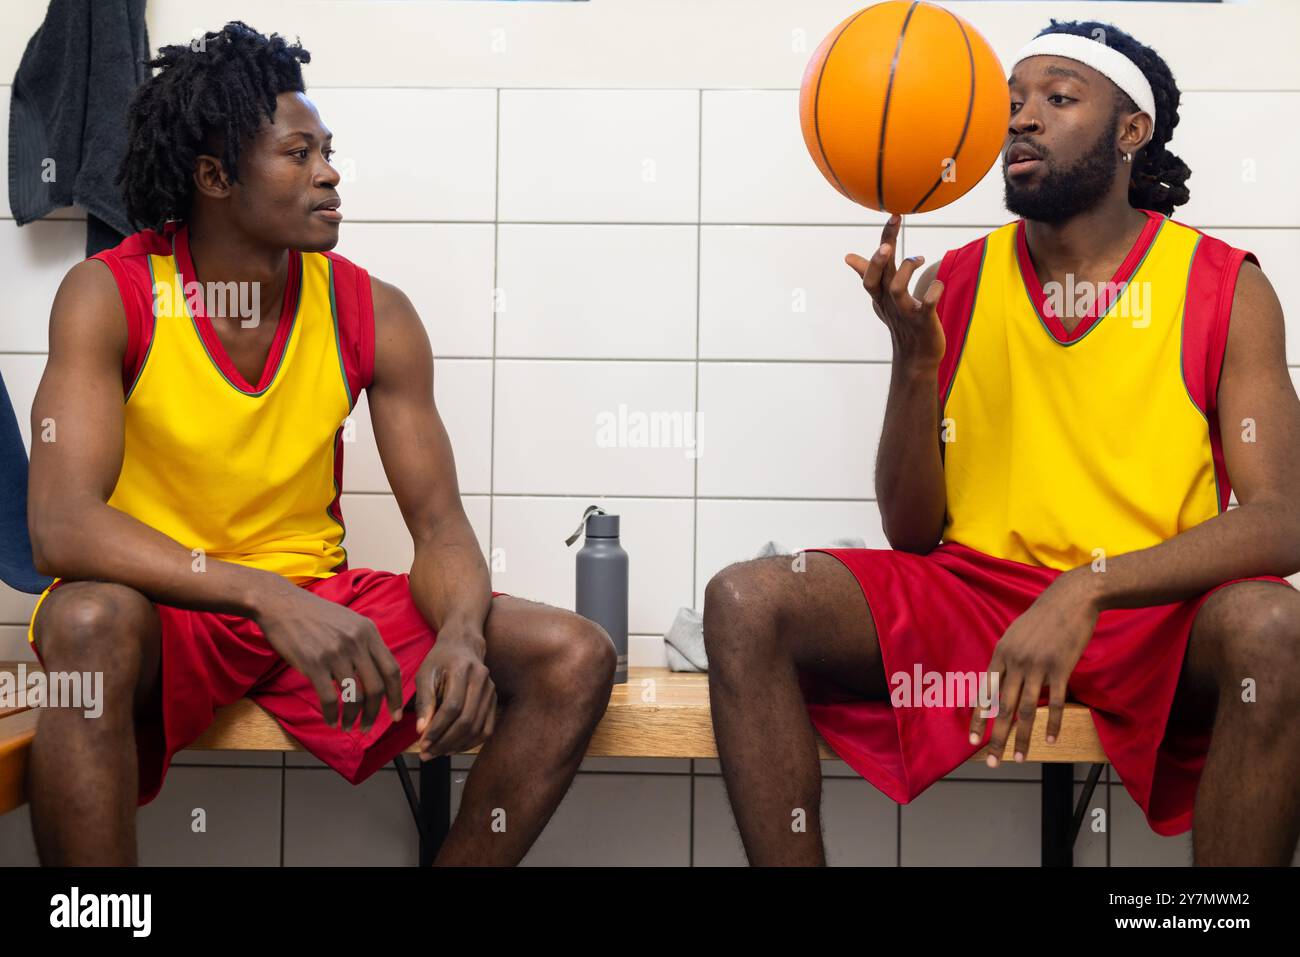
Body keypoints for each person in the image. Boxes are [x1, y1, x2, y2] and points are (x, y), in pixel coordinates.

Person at [702, 18, 1300, 866]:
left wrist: (1086, 588)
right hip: (978, 597)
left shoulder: (1225, 287)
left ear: (1132, 133)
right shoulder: (958, 282)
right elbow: (913, 533)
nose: (1021, 119)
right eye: (1013, 103)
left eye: (1058, 98)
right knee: (746, 599)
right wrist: (914, 361)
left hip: (1149, 606)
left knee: (1277, 623)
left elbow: (1282, 521)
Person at [24, 21, 616, 866]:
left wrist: (461, 634)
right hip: (169, 611)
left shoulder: (374, 310)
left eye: (327, 152)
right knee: (83, 618)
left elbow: (441, 527)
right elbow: (62, 527)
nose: (330, 173)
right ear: (215, 176)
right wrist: (264, 595)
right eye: (298, 154)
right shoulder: (110, 294)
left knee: (574, 654)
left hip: (317, 599)